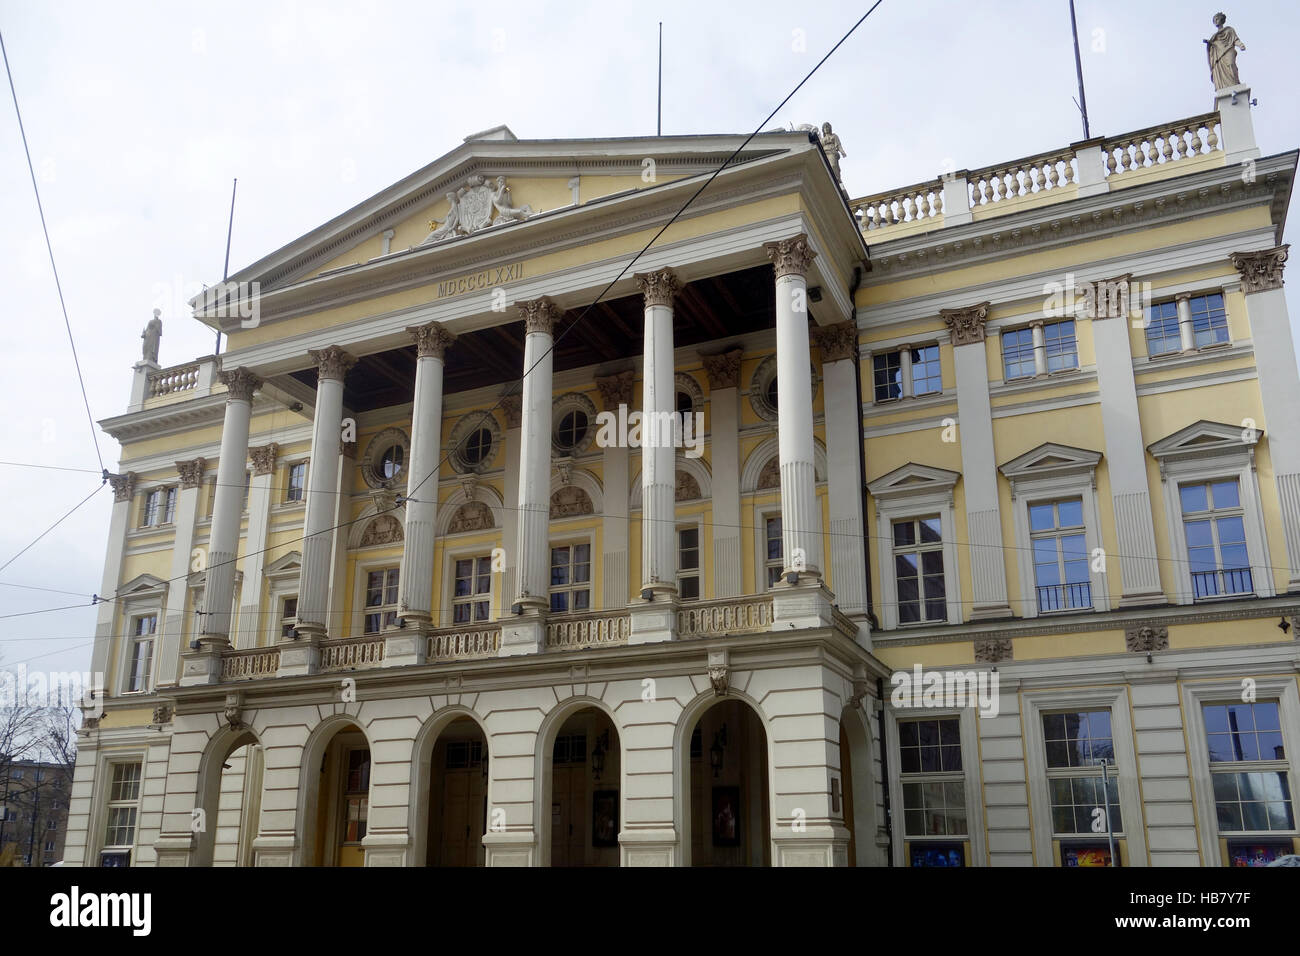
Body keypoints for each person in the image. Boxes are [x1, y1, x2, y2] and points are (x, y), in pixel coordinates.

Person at [1205, 12, 1246, 90]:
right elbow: (1213, 47)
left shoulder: (1229, 30)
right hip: (1219, 55)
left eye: (1217, 19)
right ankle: (1225, 87)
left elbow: (1235, 39)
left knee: (1231, 64)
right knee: (1220, 71)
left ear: (1221, 19)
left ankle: (1235, 83)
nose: (1216, 21)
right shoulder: (1214, 37)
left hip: (1229, 50)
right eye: (1214, 20)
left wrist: (1240, 45)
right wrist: (1209, 44)